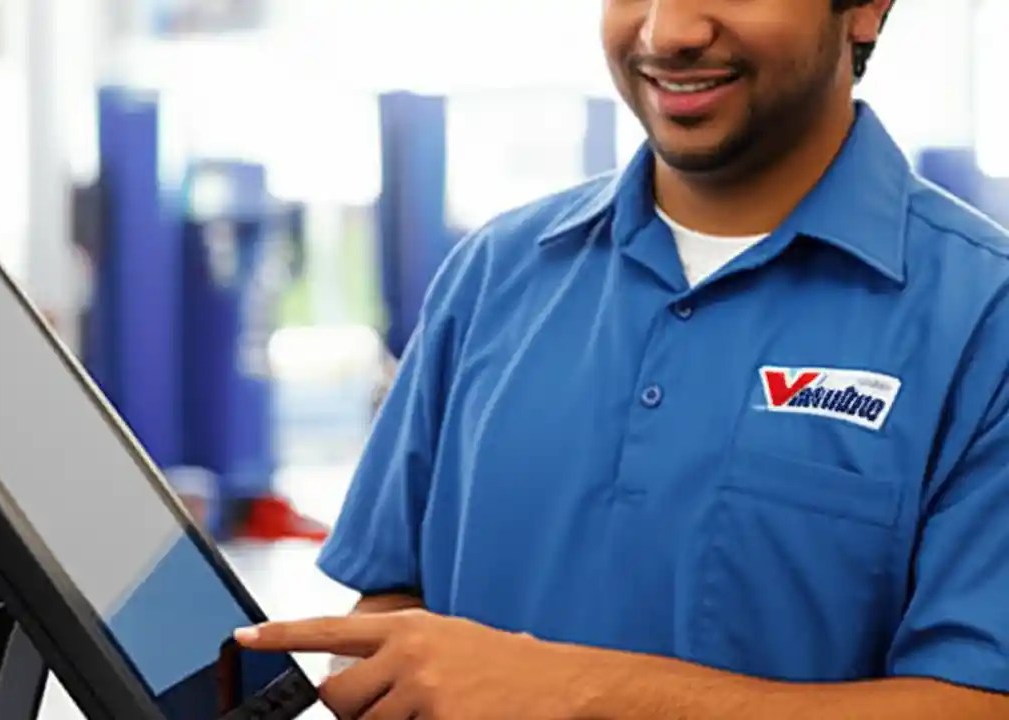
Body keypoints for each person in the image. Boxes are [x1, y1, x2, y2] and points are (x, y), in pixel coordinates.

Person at [238, 0, 1009, 717]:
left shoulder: (984, 320)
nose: (667, 31)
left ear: (868, 6)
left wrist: (573, 691)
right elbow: (390, 608)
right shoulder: (497, 274)